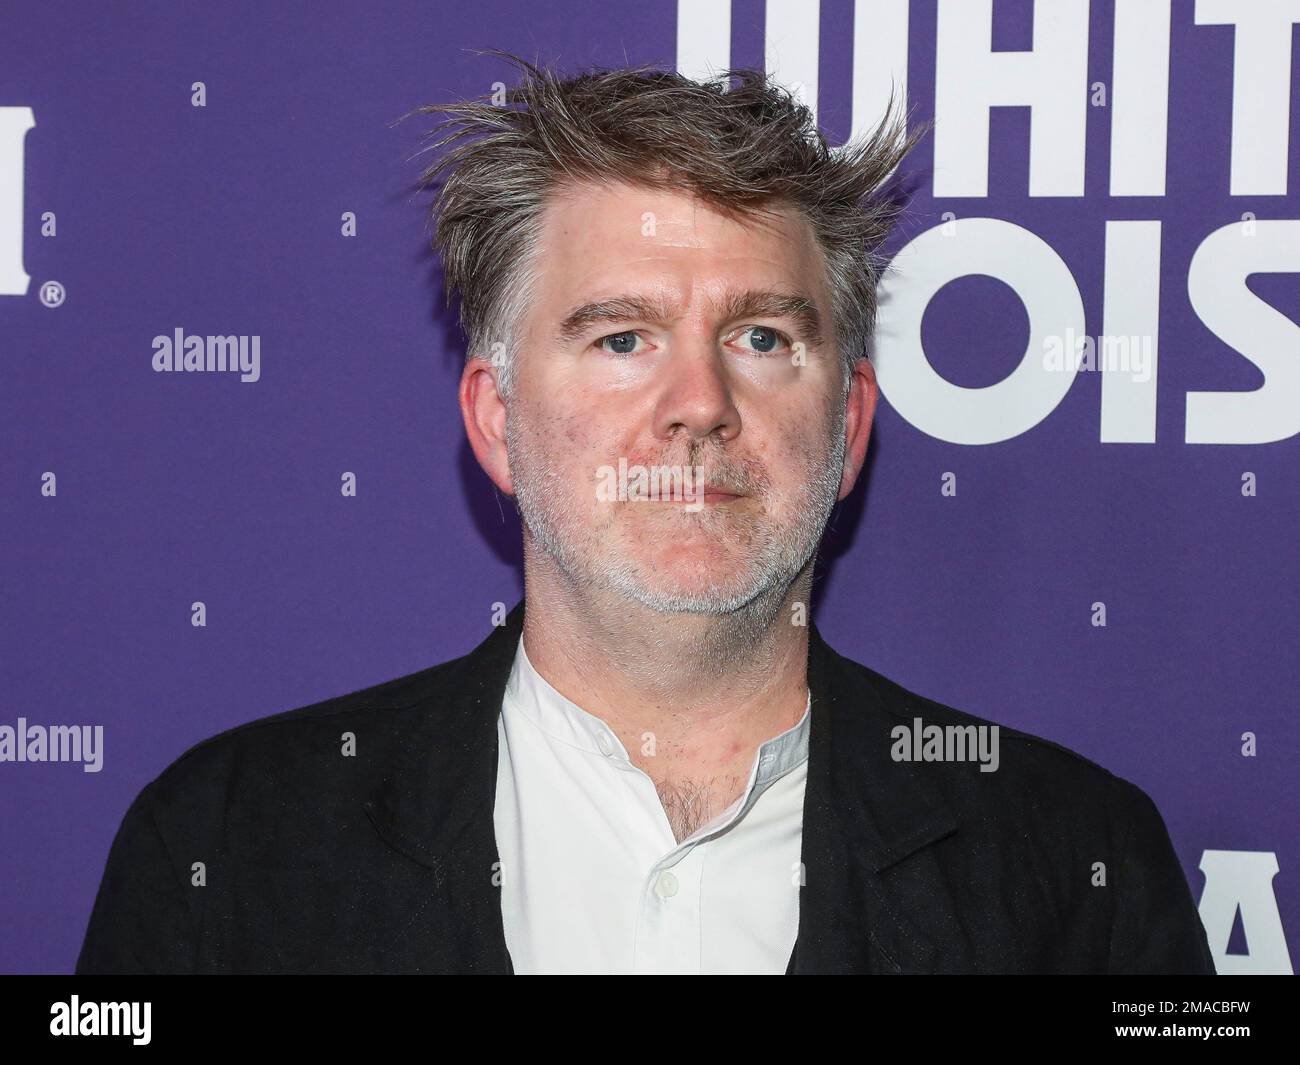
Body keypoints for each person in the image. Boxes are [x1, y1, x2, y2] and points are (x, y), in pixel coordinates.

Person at [76, 51, 1215, 975]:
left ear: (852, 423)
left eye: (762, 338)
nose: (699, 408)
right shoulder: (227, 844)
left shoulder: (1075, 865)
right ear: (495, 422)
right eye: (621, 338)